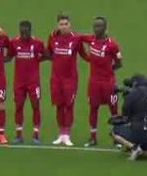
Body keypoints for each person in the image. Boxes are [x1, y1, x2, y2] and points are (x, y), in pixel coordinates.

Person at [80, 15, 123, 146]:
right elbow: (77, 37)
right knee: (93, 108)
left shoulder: (112, 45)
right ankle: (93, 138)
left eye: (99, 26)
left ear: (105, 27)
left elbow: (119, 63)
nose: (96, 28)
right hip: (94, 83)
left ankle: (117, 138)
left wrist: (109, 71)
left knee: (114, 110)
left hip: (108, 84)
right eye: (94, 26)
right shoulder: (91, 39)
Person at [111, 73, 147, 160]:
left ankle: (134, 147)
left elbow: (125, 118)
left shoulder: (132, 94)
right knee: (144, 154)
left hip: (139, 132)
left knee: (114, 131)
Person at [47, 12, 82, 145]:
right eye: (61, 24)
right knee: (59, 105)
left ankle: (67, 134)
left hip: (70, 79)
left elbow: (83, 54)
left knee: (69, 106)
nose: (64, 27)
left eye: (66, 24)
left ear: (70, 24)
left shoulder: (76, 39)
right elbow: (49, 52)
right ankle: (61, 134)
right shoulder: (52, 37)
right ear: (58, 25)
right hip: (56, 78)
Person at [10, 19, 46, 144]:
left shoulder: (38, 43)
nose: (24, 34)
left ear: (30, 31)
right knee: (18, 106)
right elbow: (9, 56)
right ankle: (19, 135)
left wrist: (37, 60)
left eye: (26, 32)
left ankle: (35, 135)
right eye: (22, 32)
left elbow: (46, 54)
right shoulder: (14, 42)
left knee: (35, 106)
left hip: (33, 82)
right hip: (19, 82)